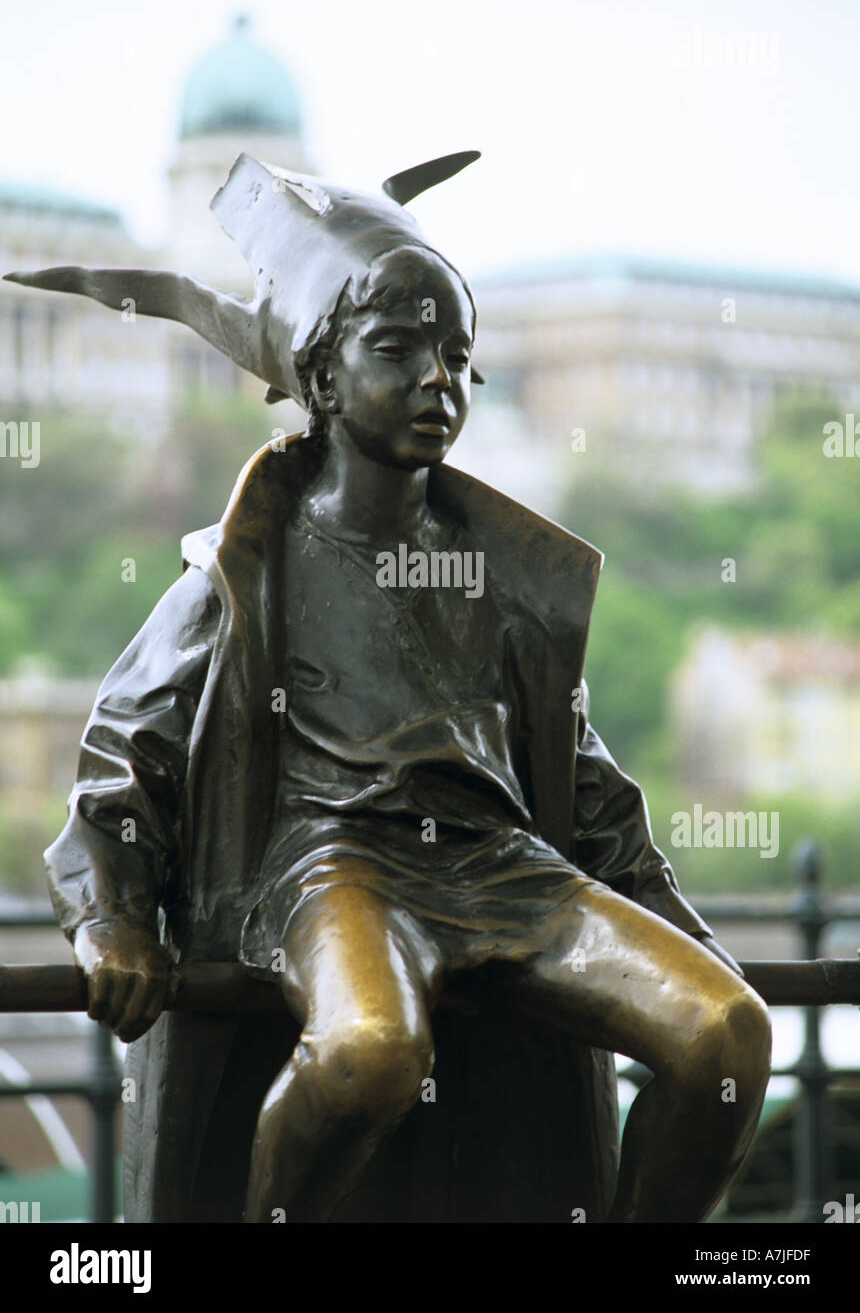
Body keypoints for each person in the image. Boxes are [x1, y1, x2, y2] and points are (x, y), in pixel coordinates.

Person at [5, 152, 771, 1223]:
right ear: (319, 375)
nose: (436, 382)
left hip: (504, 868)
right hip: (331, 870)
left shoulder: (503, 581)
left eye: (456, 358)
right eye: (397, 350)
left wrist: (661, 912)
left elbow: (577, 773)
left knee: (725, 1033)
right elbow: (123, 757)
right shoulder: (239, 571)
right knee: (367, 1049)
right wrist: (112, 918)